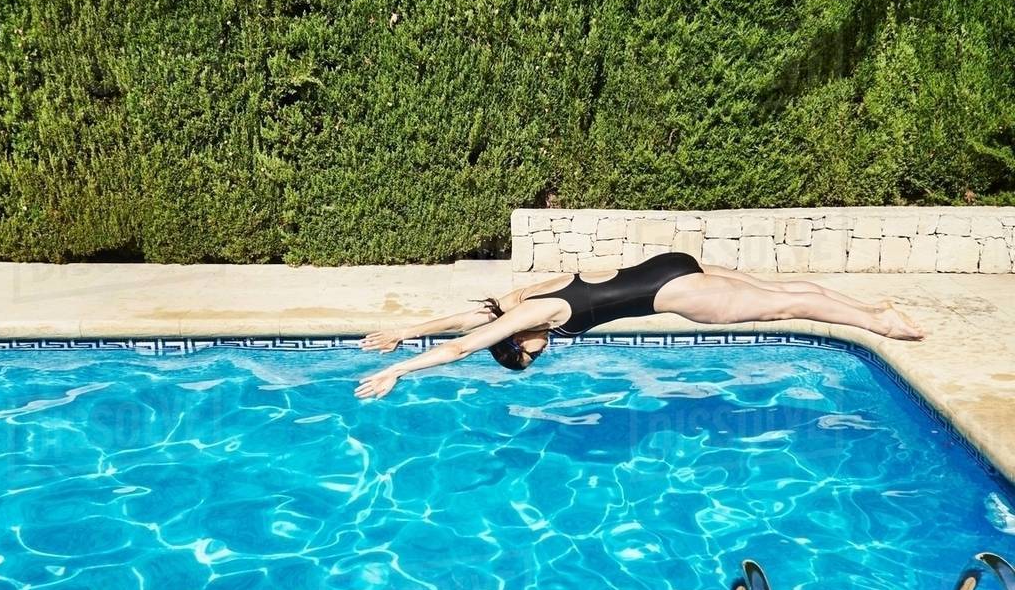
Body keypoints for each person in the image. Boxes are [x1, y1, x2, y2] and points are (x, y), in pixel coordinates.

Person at [354, 251, 924, 399]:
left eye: (531, 354)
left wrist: (402, 369)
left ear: (516, 342)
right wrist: (406, 330)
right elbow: (472, 315)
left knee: (784, 307)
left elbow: (462, 347)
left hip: (671, 293)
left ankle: (878, 324)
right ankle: (875, 309)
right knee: (782, 291)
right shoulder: (516, 298)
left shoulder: (536, 314)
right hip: (664, 266)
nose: (541, 351)